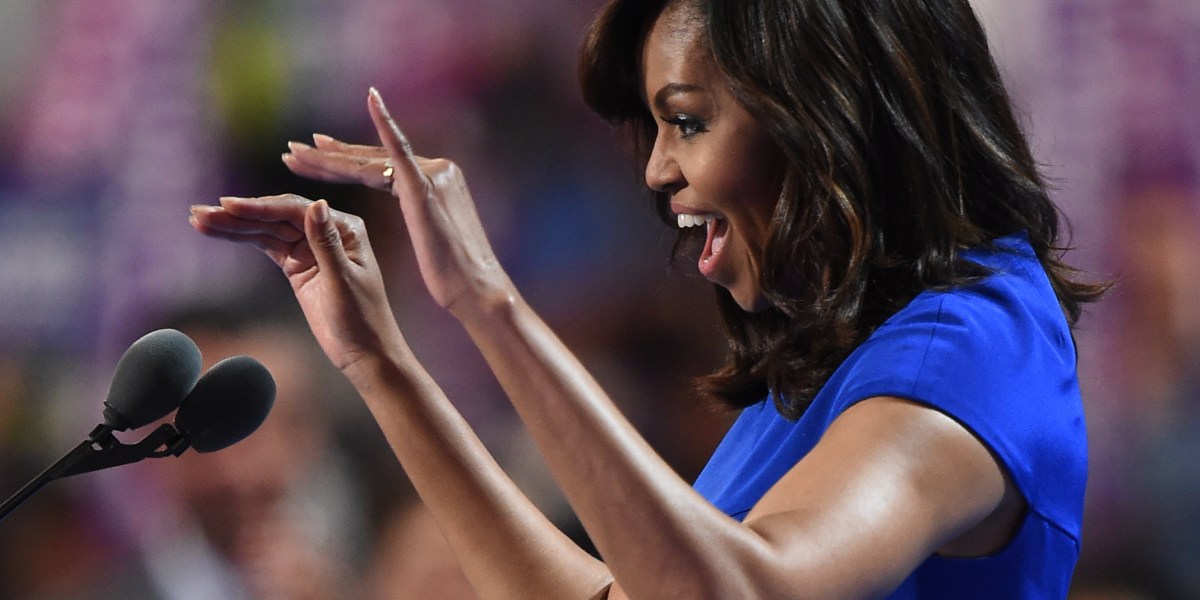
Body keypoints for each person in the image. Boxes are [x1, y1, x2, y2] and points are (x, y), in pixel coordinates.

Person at [189, 0, 1106, 597]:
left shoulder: (971, 345)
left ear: (829, 114)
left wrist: (486, 297)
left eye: (688, 121)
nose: (659, 170)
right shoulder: (829, 376)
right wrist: (380, 361)